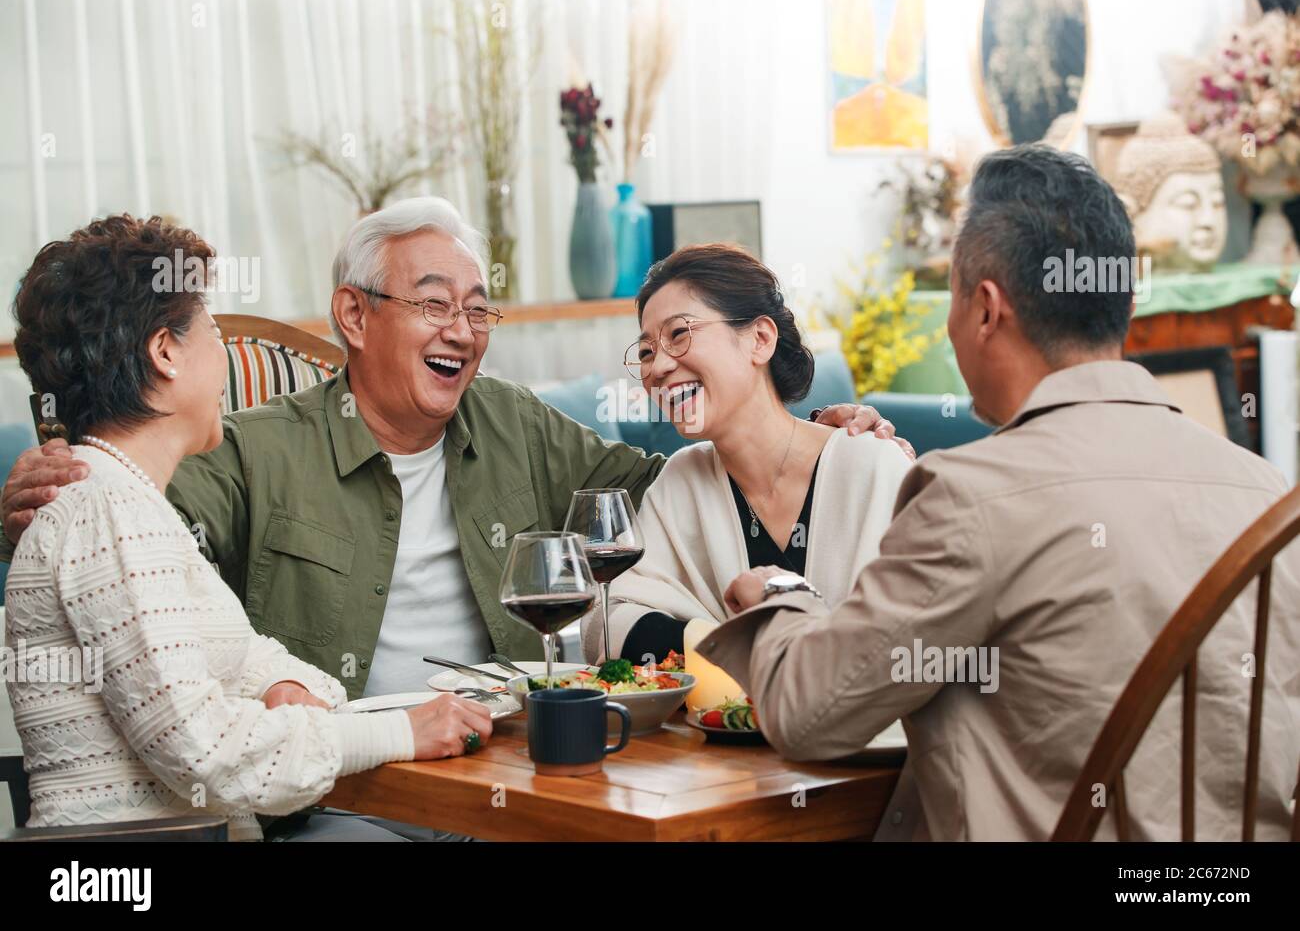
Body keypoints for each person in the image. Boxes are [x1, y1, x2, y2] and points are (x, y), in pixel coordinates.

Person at [0, 198, 911, 703]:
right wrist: (57, 497)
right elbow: (137, 530)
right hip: (349, 780)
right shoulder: (256, 452)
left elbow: (678, 488)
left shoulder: (518, 424)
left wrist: (816, 432)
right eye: (435, 304)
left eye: (480, 309)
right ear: (353, 316)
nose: (464, 331)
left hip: (518, 766)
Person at [697, 145, 1300, 841]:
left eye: (952, 300)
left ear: (985, 309)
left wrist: (780, 598)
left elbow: (811, 714)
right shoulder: (1267, 495)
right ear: (1124, 303)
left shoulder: (974, 496)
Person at [4, 214, 495, 840]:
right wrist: (400, 731)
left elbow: (236, 659)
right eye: (210, 331)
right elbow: (203, 751)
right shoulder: (108, 513)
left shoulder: (129, 503)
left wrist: (281, 683)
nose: (226, 363)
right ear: (165, 352)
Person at [582, 244, 912, 666]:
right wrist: (732, 650)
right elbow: (605, 625)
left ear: (759, 339)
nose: (658, 367)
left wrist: (727, 655)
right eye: (646, 352)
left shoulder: (873, 467)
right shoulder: (683, 480)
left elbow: (911, 645)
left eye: (679, 334)